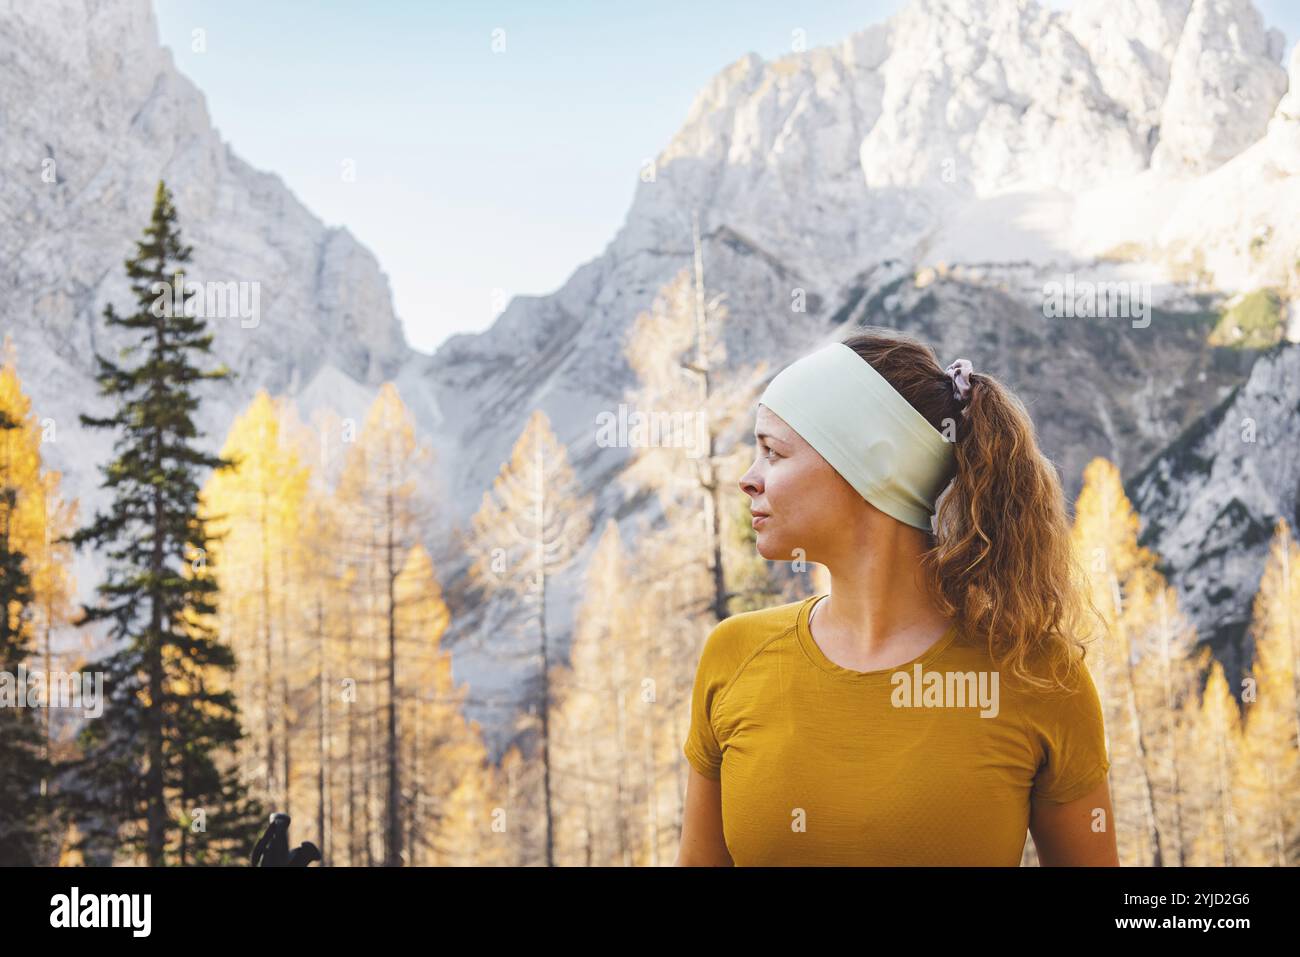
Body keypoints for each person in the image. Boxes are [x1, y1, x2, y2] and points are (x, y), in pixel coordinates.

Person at [676, 327, 1117, 866]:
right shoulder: (733, 655)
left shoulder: (1036, 674)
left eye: (772, 451)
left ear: (872, 466)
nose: (749, 478)